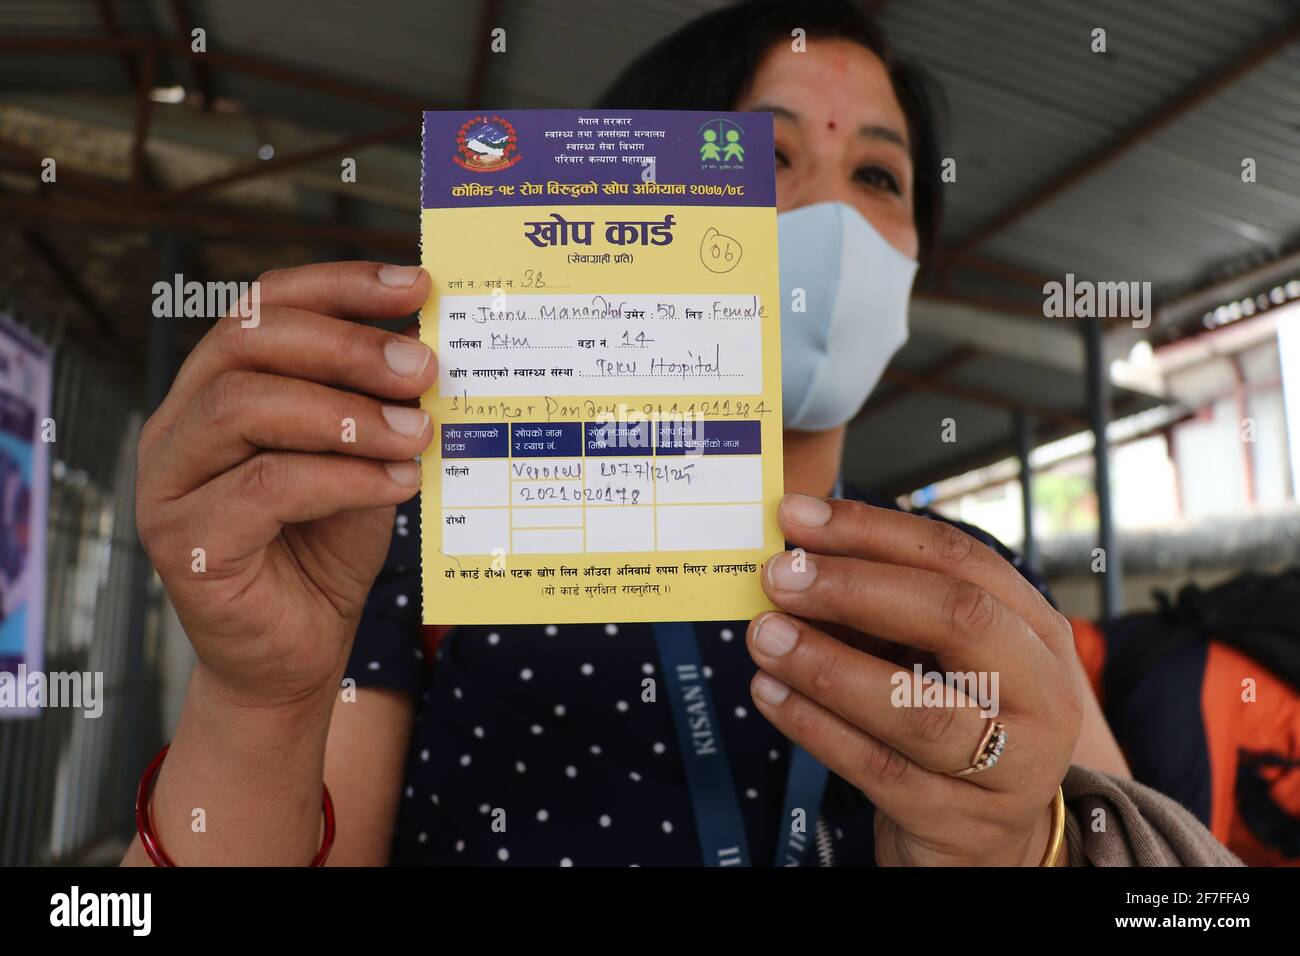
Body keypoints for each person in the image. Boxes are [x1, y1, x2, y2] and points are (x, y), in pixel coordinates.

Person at [123, 0, 1236, 867]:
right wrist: (254, 699)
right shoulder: (417, 545)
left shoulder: (974, 593)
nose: (831, 218)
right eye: (760, 157)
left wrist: (1034, 843)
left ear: (912, 258)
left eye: (879, 177)